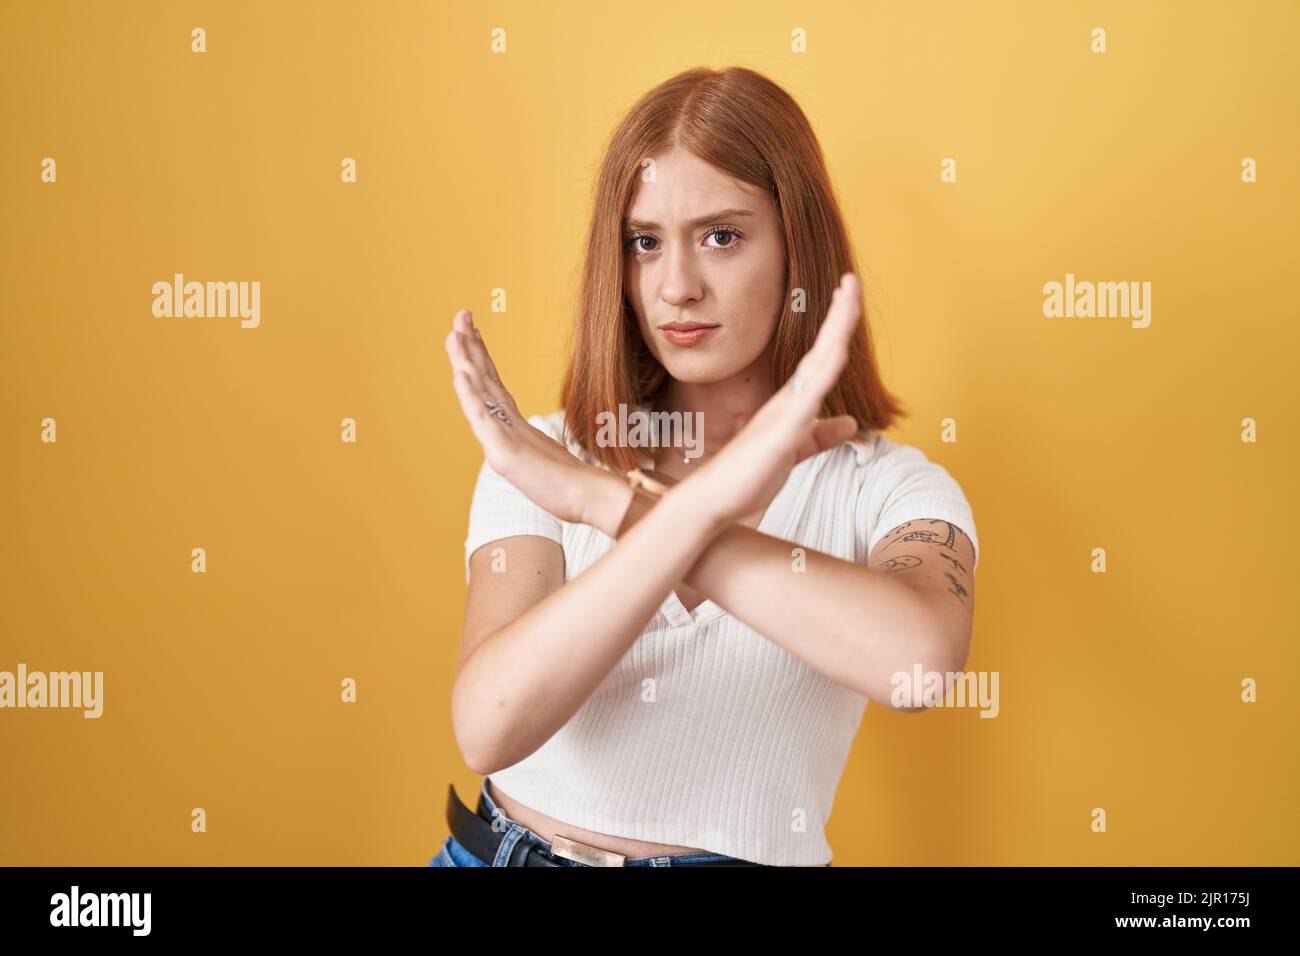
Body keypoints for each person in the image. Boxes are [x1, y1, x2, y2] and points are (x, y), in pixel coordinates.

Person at [431, 66, 979, 868]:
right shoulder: (546, 456)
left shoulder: (889, 489)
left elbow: (917, 668)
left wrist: (610, 505)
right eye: (645, 243)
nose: (678, 287)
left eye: (722, 236)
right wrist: (655, 503)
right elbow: (489, 727)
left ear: (799, 248)